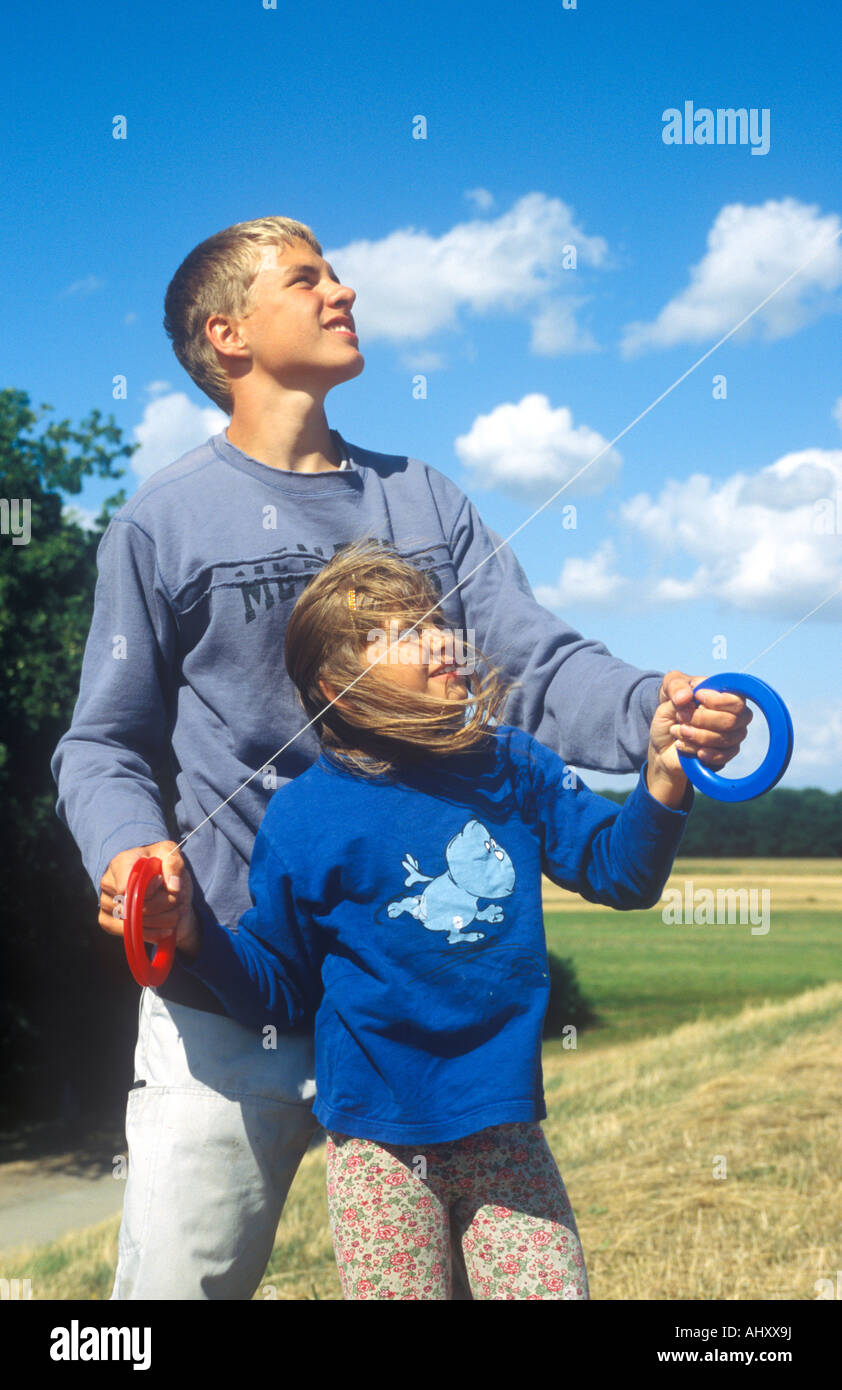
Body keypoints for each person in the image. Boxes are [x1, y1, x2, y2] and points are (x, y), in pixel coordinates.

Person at [50, 215, 750, 1300]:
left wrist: (658, 712)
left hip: (423, 1017)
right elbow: (102, 739)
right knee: (176, 1296)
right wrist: (138, 856)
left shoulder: (420, 498)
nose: (346, 290)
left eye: (336, 272)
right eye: (307, 278)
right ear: (226, 334)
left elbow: (534, 660)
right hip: (234, 981)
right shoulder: (161, 523)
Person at [170, 538, 702, 1300]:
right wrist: (195, 936)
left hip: (505, 1131)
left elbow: (621, 871)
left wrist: (661, 780)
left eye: (436, 622)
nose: (443, 642)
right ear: (340, 688)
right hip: (375, 1147)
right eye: (405, 633)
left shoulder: (513, 765)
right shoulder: (305, 817)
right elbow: (278, 986)